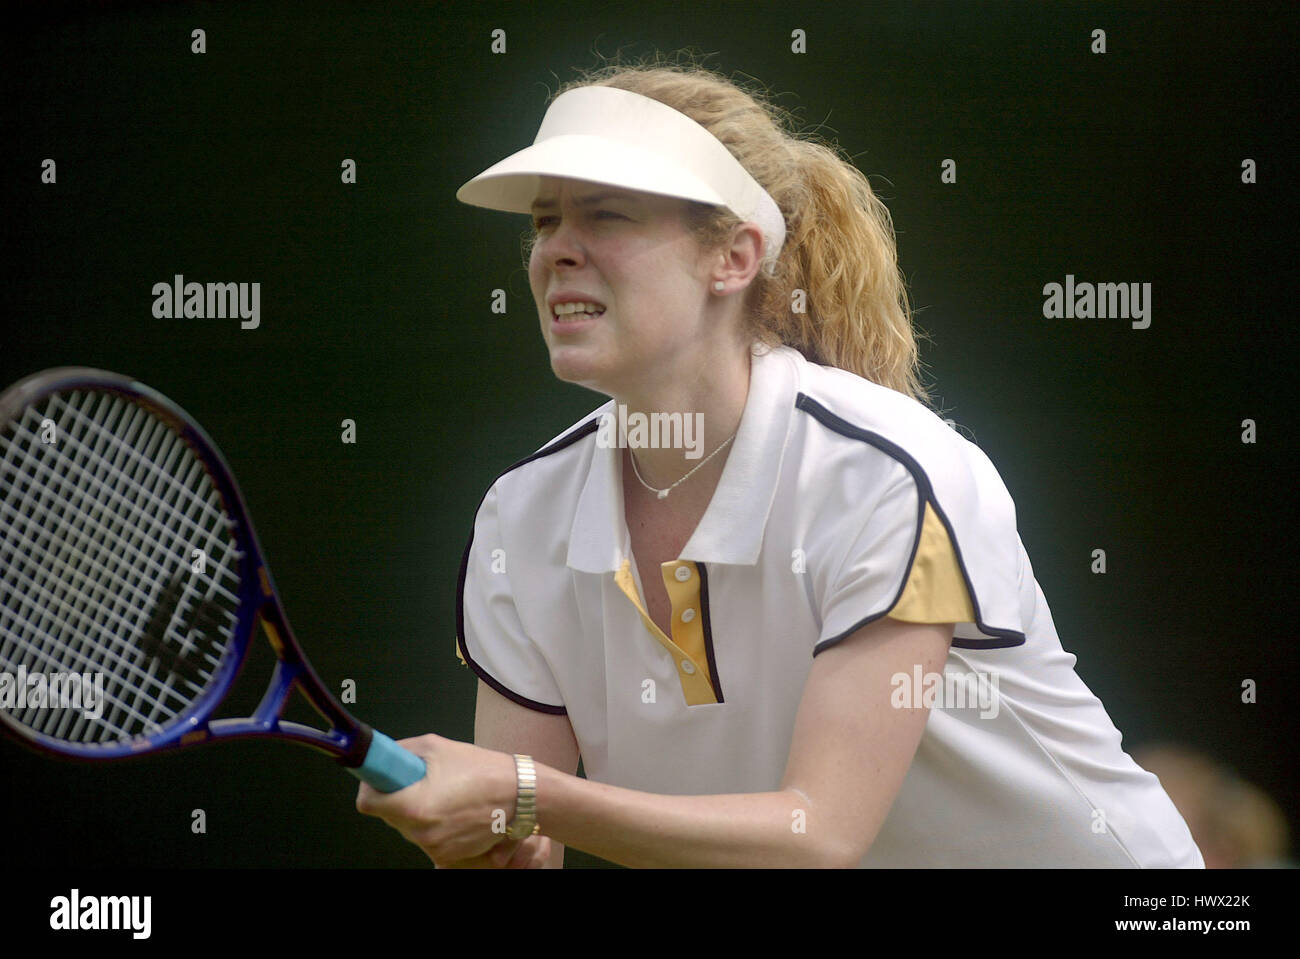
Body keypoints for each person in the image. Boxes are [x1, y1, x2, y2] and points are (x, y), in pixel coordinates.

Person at [356, 59, 1205, 868]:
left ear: (734, 257)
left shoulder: (889, 476)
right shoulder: (520, 517)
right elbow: (522, 829)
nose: (556, 250)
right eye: (545, 222)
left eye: (607, 214)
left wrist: (523, 795)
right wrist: (491, 834)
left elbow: (818, 835)